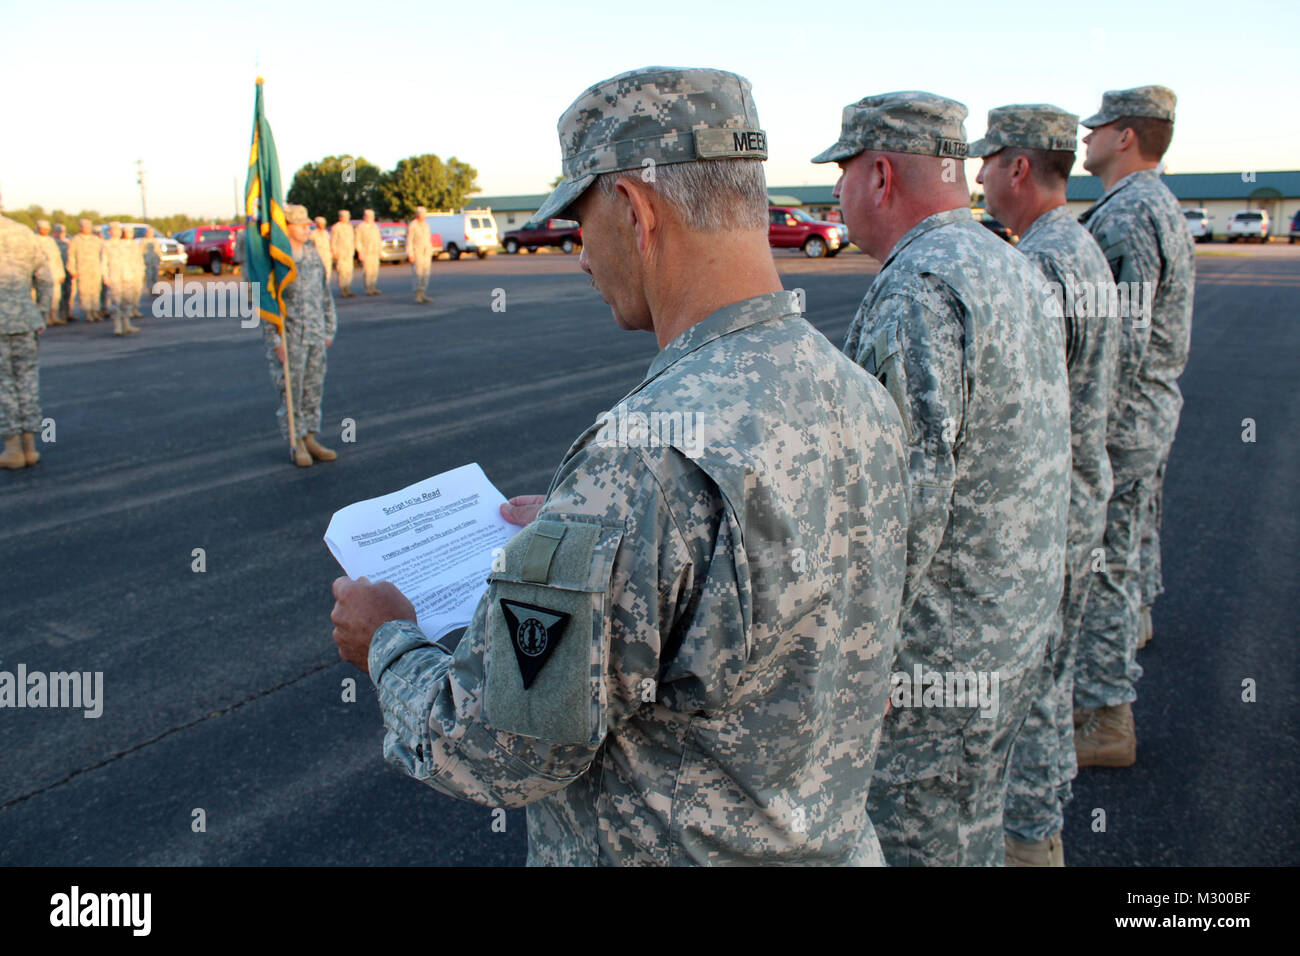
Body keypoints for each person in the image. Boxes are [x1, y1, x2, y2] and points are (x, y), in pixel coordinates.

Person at [329, 66, 911, 866]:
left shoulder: (642, 461)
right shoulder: (857, 393)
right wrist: (580, 533)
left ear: (634, 210)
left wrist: (387, 639)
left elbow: (495, 744)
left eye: (578, 220)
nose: (578, 255)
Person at [812, 91, 1071, 867]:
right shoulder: (1010, 263)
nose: (836, 191)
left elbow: (900, 504)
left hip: (937, 662)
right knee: (972, 824)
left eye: (844, 171)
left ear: (881, 175)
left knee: (927, 843)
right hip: (1013, 625)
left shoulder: (918, 289)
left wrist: (859, 656)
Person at [972, 103, 1120, 866]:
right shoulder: (1080, 246)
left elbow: (1018, 417)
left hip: (1045, 513)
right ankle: (1041, 829)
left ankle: (1028, 842)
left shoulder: (1038, 265)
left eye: (989, 162)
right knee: (1050, 683)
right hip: (1079, 496)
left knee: (1025, 697)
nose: (979, 175)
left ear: (1018, 168)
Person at [1073, 85, 1194, 767]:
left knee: (1106, 565)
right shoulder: (1158, 202)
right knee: (1133, 545)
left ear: (1124, 136)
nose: (1084, 140)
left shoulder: (1126, 215)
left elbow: (1121, 341)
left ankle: (1107, 716)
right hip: (1153, 410)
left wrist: (1087, 442)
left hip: (1124, 421)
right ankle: (1130, 637)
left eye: (1097, 129)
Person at [263, 203, 337, 467]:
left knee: (313, 388)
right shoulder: (278, 260)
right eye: (302, 224)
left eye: (308, 224)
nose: (308, 228)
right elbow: (266, 304)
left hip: (316, 333)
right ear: (287, 227)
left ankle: (311, 438)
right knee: (291, 392)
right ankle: (297, 444)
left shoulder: (312, 253)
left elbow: (324, 292)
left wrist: (329, 327)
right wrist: (275, 342)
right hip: (290, 337)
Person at [1, 200, 53, 469]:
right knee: (27, 381)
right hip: (25, 320)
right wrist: (42, 312)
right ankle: (30, 447)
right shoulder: (23, 233)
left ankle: (12, 449)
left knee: (3, 386)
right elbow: (45, 277)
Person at [99, 222, 141, 336]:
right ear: (109, 232)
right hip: (114, 276)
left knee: (127, 300)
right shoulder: (106, 245)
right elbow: (104, 262)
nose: (117, 232)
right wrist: (105, 276)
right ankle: (118, 326)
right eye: (114, 230)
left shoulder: (125, 244)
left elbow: (133, 260)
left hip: (127, 275)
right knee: (116, 301)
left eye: (118, 230)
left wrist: (135, 272)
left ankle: (127, 324)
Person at [65, 218, 104, 321]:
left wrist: (103, 269)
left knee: (96, 291)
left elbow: (102, 255)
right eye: (85, 227)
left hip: (95, 269)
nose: (88, 229)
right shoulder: (76, 240)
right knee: (85, 292)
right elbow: (71, 256)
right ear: (81, 227)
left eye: (89, 227)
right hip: (82, 270)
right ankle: (88, 313)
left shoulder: (96, 240)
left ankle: (96, 311)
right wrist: (72, 269)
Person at [34, 220, 66, 326]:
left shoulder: (51, 241)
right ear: (38, 229)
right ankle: (45, 317)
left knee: (56, 296)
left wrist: (61, 273)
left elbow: (57, 258)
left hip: (54, 272)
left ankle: (54, 316)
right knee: (43, 297)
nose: (45, 231)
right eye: (43, 228)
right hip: (41, 273)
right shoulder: (34, 240)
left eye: (47, 229)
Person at [407, 206, 434, 303]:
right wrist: (410, 254)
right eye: (421, 215)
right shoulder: (413, 225)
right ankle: (418, 295)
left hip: (426, 252)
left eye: (424, 215)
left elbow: (428, 239)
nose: (423, 217)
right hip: (417, 252)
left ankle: (423, 293)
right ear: (417, 215)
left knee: (426, 274)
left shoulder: (426, 225)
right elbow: (409, 241)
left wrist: (430, 251)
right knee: (418, 273)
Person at [355, 209, 381, 295]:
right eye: (368, 216)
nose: (370, 218)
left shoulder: (375, 227)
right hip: (366, 252)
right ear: (365, 217)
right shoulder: (361, 227)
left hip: (375, 252)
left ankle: (373, 287)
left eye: (372, 217)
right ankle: (368, 288)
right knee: (368, 271)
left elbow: (378, 239)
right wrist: (360, 252)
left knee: (375, 270)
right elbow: (358, 240)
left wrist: (379, 250)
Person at [330, 209, 355, 297]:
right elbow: (333, 240)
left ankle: (348, 289)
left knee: (349, 271)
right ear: (340, 218)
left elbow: (352, 239)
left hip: (349, 252)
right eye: (344, 217)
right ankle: (343, 290)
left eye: (348, 217)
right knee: (342, 271)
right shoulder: (336, 227)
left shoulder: (350, 227)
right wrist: (334, 251)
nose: (346, 218)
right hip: (341, 253)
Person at [52, 224, 73, 323]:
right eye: (58, 232)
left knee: (68, 293)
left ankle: (66, 313)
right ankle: (55, 316)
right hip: (56, 272)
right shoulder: (51, 243)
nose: (61, 234)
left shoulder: (67, 242)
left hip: (67, 270)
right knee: (56, 295)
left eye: (62, 232)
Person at [141, 226, 161, 309]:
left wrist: (159, 258)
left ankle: (155, 289)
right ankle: (151, 290)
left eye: (151, 232)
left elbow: (158, 250)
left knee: (155, 276)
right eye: (149, 232)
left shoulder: (155, 241)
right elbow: (141, 252)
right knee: (149, 276)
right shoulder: (144, 241)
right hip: (148, 261)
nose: (150, 234)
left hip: (154, 261)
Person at [310, 216, 333, 283]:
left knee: (328, 273)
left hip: (327, 256)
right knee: (318, 274)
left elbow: (330, 243)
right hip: (318, 256)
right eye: (321, 223)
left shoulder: (326, 233)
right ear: (317, 224)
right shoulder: (313, 234)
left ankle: (326, 286)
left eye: (323, 224)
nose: (322, 225)